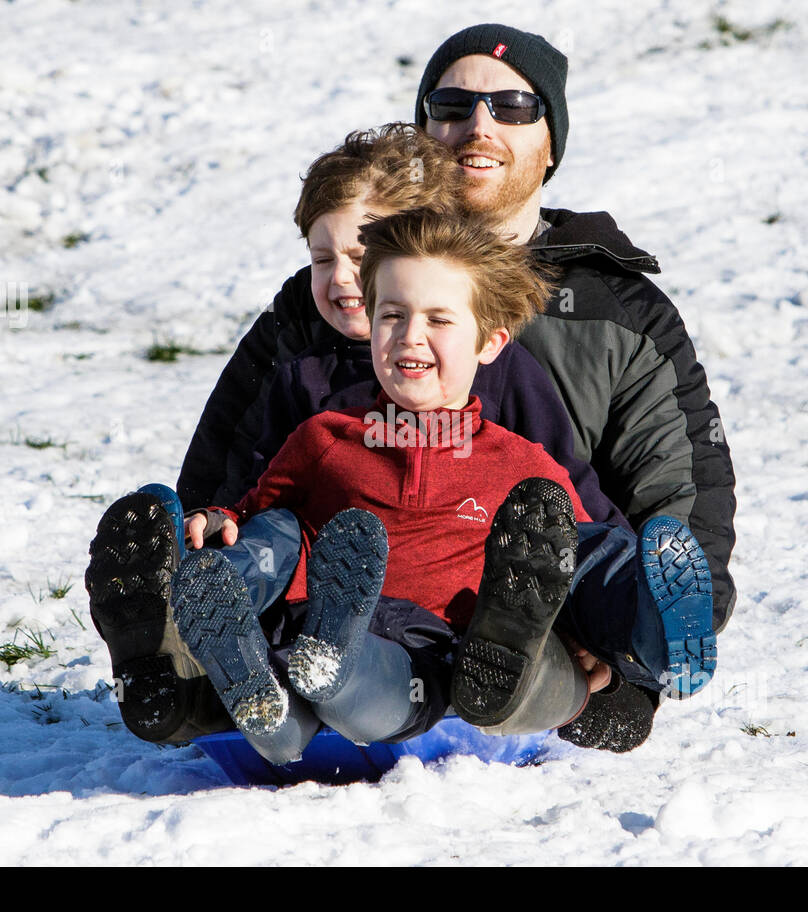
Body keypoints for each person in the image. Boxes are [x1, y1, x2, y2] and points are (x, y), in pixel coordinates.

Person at [173, 24, 734, 749]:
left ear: (552, 141)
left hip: (562, 651)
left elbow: (677, 508)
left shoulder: (616, 312)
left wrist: (625, 649)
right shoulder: (324, 299)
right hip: (356, 619)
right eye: (452, 102)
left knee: (565, 569)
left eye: (512, 106)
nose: (478, 124)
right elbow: (232, 481)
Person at [167, 208, 615, 764]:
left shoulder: (521, 465)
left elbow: (572, 555)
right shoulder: (325, 438)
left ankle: (319, 681)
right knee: (296, 645)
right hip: (306, 627)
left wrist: (586, 637)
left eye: (439, 320)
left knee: (374, 675)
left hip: (433, 660)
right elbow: (258, 512)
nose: (410, 337)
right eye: (392, 315)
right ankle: (261, 692)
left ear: (491, 341)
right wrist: (218, 521)